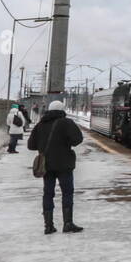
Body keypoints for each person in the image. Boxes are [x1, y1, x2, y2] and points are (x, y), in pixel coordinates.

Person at [28, 99, 85, 234]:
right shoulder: (66, 123)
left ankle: (48, 226)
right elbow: (78, 139)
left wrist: (42, 145)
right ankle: (68, 223)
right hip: (64, 164)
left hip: (46, 165)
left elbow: (31, 145)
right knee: (67, 193)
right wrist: (66, 143)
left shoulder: (41, 124)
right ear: (62, 110)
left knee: (48, 194)